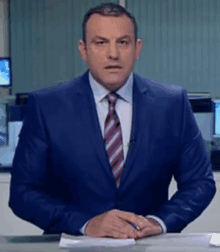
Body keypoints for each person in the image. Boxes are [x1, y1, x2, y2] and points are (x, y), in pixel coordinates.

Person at [9, 2, 216, 239]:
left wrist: (158, 222)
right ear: (83, 49)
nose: (113, 54)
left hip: (147, 246)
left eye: (123, 42)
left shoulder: (171, 103)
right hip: (74, 244)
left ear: (137, 49)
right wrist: (86, 224)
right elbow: (22, 193)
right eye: (100, 42)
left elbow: (200, 183)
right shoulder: (47, 105)